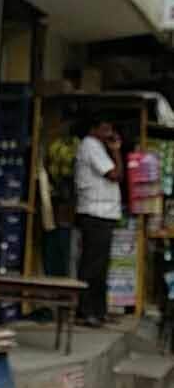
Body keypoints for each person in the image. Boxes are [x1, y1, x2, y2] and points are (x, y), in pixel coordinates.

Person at [74, 118, 123, 327]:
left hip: (104, 213)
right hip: (95, 213)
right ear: (93, 129)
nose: (108, 133)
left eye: (111, 129)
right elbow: (115, 174)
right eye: (105, 129)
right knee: (92, 265)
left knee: (101, 266)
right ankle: (85, 311)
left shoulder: (98, 147)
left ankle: (99, 310)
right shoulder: (90, 146)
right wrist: (116, 151)